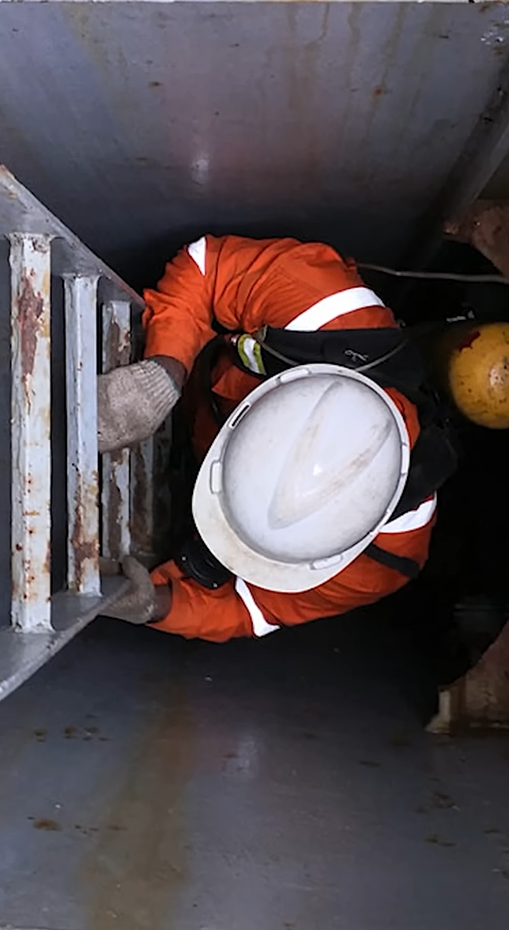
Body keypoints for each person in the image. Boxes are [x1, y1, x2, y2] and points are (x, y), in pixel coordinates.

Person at [93, 235, 446, 643]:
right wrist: (163, 373)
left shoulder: (381, 561)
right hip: (197, 386)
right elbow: (206, 267)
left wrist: (154, 605)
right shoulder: (326, 309)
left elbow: (251, 609)